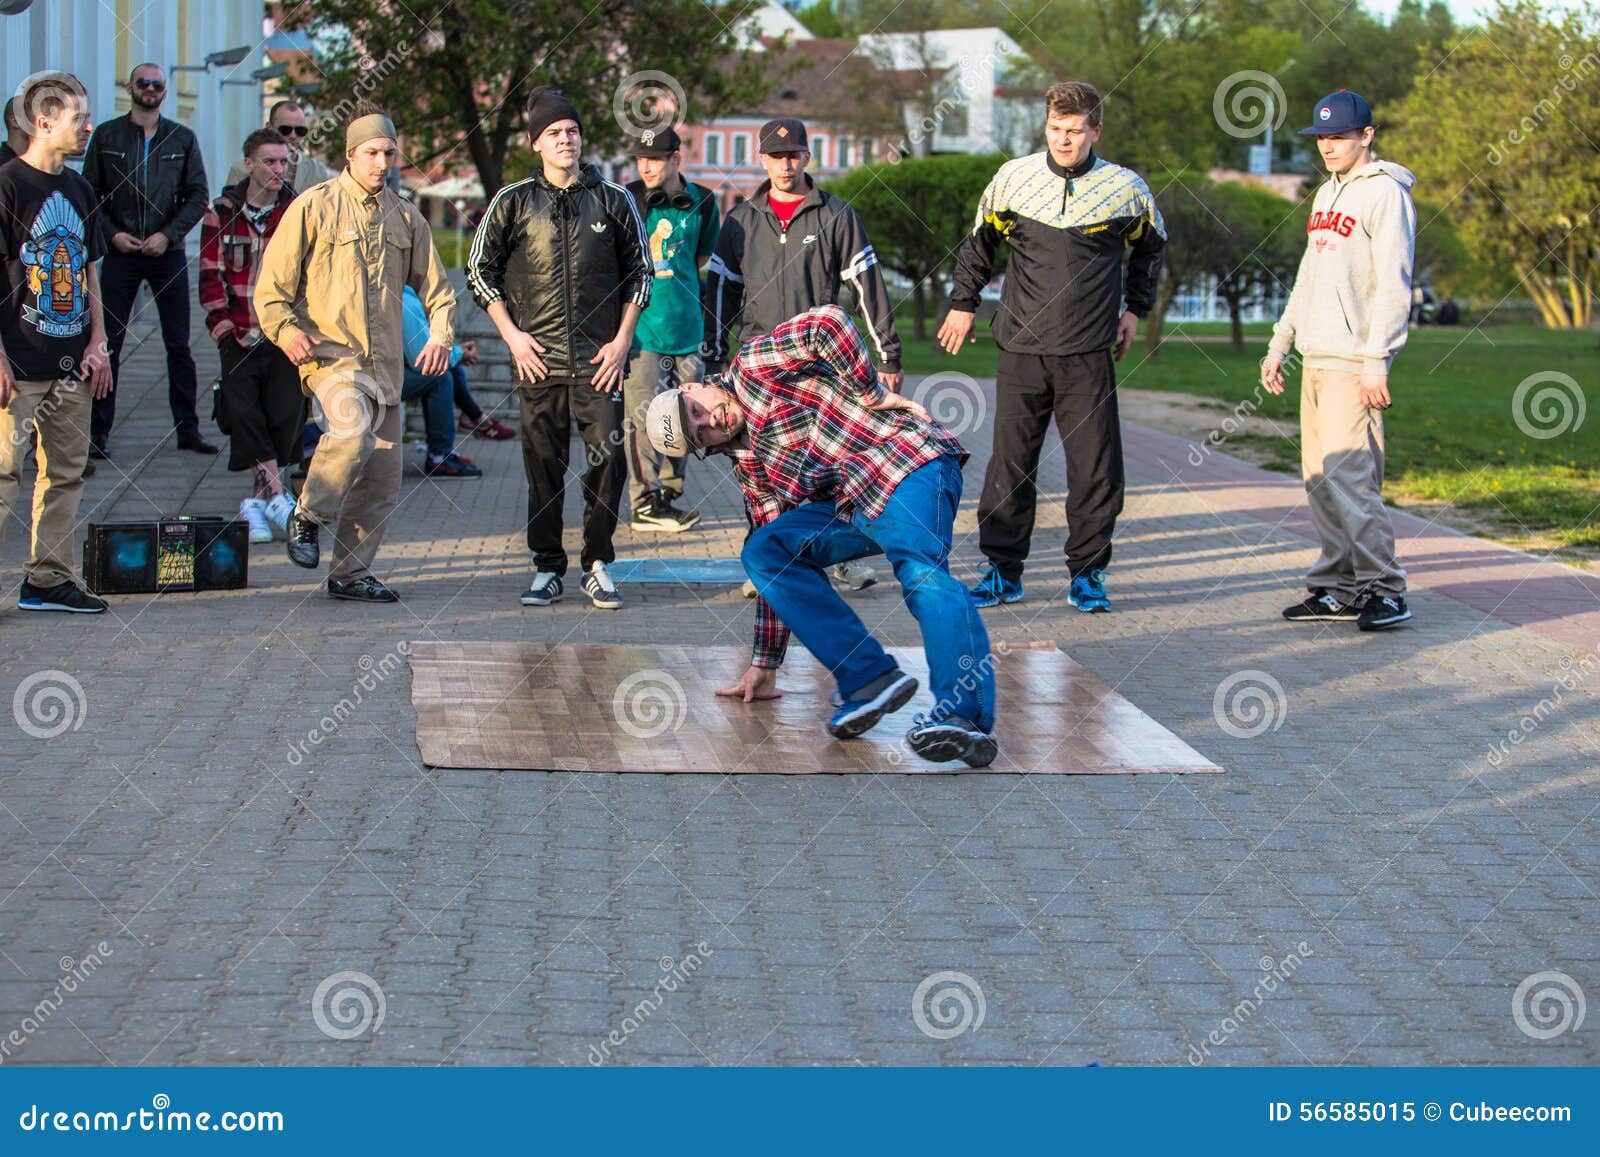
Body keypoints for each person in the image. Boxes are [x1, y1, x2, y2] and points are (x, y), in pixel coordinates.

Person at [646, 305, 996, 766]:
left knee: (921, 574)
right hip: (853, 507)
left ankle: (962, 716)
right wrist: (766, 663)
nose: (711, 422)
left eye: (698, 411)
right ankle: (870, 680)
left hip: (906, 463)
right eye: (701, 434)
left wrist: (869, 392)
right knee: (765, 548)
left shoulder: (753, 366)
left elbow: (827, 323)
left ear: (693, 387)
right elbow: (777, 573)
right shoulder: (751, 469)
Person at [941, 81, 1166, 614]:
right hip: (1021, 347)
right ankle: (1002, 572)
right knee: (1010, 466)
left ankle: (1088, 576)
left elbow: (1151, 250)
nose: (1064, 141)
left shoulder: (1126, 188)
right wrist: (963, 302)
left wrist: (1136, 308)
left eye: (1075, 131)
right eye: (1055, 130)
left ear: (1096, 131)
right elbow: (979, 244)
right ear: (1045, 126)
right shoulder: (1013, 179)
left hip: (1089, 351)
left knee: (1095, 469)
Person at [255, 102, 456, 603]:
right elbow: (271, 289)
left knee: (382, 479)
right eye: (371, 153)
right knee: (349, 435)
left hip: (387, 368)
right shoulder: (314, 206)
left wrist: (441, 336)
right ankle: (307, 514)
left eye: (389, 152)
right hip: (332, 360)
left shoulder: (407, 218)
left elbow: (438, 291)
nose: (382, 162)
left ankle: (349, 573)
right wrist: (285, 332)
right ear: (350, 155)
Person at [466, 86, 651, 611]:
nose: (565, 139)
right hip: (538, 359)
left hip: (600, 360)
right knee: (542, 464)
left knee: (607, 461)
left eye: (571, 131)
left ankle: (597, 563)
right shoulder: (514, 201)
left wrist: (620, 343)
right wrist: (513, 336)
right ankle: (547, 566)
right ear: (536, 144)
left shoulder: (615, 201)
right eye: (554, 133)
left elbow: (642, 274)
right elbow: (480, 271)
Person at [703, 116, 902, 594]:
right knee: (762, 470)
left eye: (793, 155)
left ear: (806, 157)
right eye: (775, 155)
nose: (785, 164)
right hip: (758, 370)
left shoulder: (836, 214)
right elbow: (720, 292)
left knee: (830, 465)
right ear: (762, 159)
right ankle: (767, 555)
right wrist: (713, 356)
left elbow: (866, 286)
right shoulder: (741, 220)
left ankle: (840, 555)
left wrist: (888, 357)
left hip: (821, 368)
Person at [1263, 89, 1415, 632]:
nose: (1328, 146)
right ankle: (1338, 588)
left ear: (1366, 135)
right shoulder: (1326, 194)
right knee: (1319, 481)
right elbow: (1308, 278)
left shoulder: (1385, 195)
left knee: (1352, 480)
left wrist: (1379, 359)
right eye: (1322, 137)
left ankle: (1386, 589)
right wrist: (1281, 342)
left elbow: (1396, 284)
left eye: (1340, 136)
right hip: (1318, 356)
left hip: (1356, 362)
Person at [0, 72, 114, 613]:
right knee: (4, 475)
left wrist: (99, 342)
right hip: (16, 364)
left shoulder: (80, 188)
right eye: (79, 118)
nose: (89, 126)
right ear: (44, 123)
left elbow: (90, 272)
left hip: (72, 362)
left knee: (65, 473)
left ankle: (47, 580)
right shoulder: (6, 185)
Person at [81, 62, 211, 457]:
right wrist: (111, 234)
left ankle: (188, 429)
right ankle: (98, 432)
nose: (150, 89)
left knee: (179, 345)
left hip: (165, 253)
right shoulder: (107, 135)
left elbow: (197, 195)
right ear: (130, 87)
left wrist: (167, 235)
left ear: (165, 91)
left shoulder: (182, 139)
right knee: (109, 344)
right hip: (121, 252)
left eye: (156, 84)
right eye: (143, 83)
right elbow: (89, 192)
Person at [199, 128, 302, 544]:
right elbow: (209, 279)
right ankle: (278, 494)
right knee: (242, 414)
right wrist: (223, 329)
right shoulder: (221, 212)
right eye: (270, 161)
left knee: (283, 417)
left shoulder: (296, 211)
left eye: (283, 161)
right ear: (249, 165)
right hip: (238, 332)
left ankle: (255, 506)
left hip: (285, 335)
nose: (278, 169)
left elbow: (310, 274)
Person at [622, 125, 720, 533]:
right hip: (643, 333)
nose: (646, 166)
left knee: (688, 418)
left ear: (676, 158)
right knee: (642, 419)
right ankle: (643, 502)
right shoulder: (626, 198)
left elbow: (700, 258)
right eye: (641, 158)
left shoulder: (703, 202)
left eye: (656, 158)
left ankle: (668, 494)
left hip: (688, 331)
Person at [400, 283, 482, 478]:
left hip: (382, 373)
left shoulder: (407, 294)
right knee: (439, 377)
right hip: (378, 379)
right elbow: (421, 359)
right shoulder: (405, 299)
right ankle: (440, 457)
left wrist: (456, 352)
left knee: (448, 367)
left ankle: (475, 420)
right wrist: (459, 353)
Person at [224, 99, 335, 194]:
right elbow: (230, 212)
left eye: (300, 131)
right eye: (285, 130)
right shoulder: (240, 171)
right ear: (268, 128)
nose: (293, 136)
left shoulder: (317, 171)